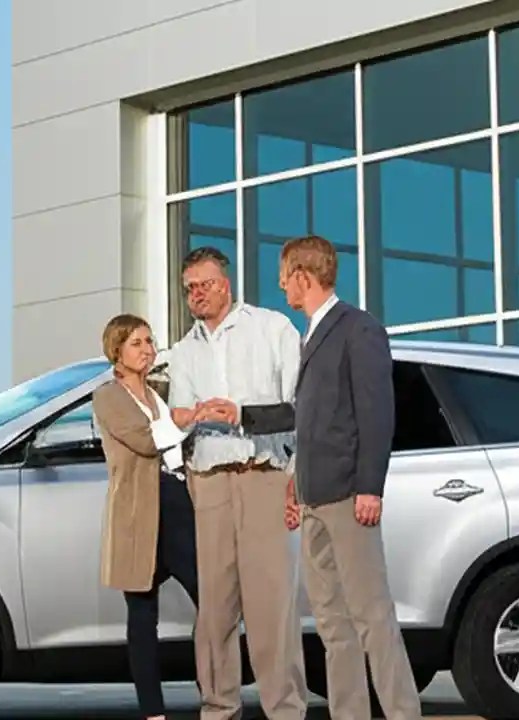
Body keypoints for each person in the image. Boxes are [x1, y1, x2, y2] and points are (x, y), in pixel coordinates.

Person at [278, 235, 423, 720]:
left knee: (372, 618)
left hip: (348, 496)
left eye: (284, 277)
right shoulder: (312, 335)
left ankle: (403, 713)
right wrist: (296, 485)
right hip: (315, 497)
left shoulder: (358, 329)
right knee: (331, 626)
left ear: (303, 275)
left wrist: (370, 487)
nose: (281, 287)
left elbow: (376, 414)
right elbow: (314, 421)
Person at [168, 246, 307, 720]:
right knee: (214, 609)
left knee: (272, 607)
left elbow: (301, 406)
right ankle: (218, 707)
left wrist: (295, 478)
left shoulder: (272, 329)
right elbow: (177, 420)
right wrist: (183, 418)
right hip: (208, 483)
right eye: (188, 288)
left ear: (224, 285)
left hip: (261, 476)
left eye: (203, 285)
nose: (196, 295)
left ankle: (285, 710)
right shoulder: (182, 352)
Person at [91, 313, 213, 720]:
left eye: (149, 341)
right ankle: (153, 712)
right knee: (142, 615)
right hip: (137, 511)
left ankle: (214, 697)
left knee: (212, 602)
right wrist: (183, 419)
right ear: (117, 351)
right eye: (137, 343)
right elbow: (144, 441)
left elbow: (180, 444)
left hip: (176, 501)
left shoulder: (162, 391)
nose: (147, 349)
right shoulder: (108, 396)